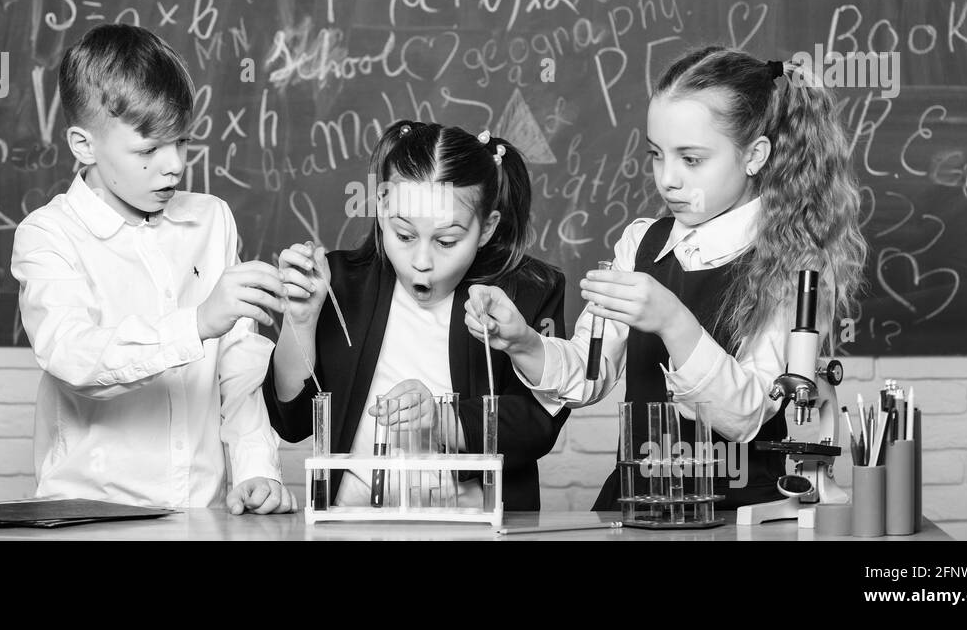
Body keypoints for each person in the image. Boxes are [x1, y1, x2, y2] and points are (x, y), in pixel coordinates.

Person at [468, 46, 867, 509]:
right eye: (657, 155)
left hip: (739, 515)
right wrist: (524, 343)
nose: (668, 179)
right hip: (641, 502)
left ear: (755, 156)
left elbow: (749, 414)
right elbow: (590, 374)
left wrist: (673, 322)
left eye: (691, 159)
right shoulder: (641, 244)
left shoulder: (793, 264)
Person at [11, 24, 294, 514]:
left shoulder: (211, 220)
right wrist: (198, 322)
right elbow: (73, 357)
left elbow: (237, 364)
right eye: (148, 150)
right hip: (88, 516)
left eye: (181, 141)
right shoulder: (48, 234)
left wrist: (256, 468)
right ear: (83, 144)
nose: (174, 165)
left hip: (201, 515)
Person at [265, 121, 569, 511]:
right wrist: (301, 322)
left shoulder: (529, 291)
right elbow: (291, 423)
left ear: (487, 228)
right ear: (382, 209)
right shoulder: (338, 282)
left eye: (447, 240)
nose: (421, 261)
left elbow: (538, 422)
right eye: (405, 235)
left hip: (480, 524)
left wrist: (442, 419)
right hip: (351, 523)